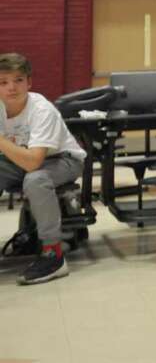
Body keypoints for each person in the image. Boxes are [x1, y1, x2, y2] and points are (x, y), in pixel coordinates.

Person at [0, 52, 86, 285]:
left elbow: (33, 163)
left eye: (18, 80)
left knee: (36, 179)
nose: (11, 88)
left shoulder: (41, 110)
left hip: (63, 159)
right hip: (21, 159)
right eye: (3, 82)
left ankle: (54, 255)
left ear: (29, 82)